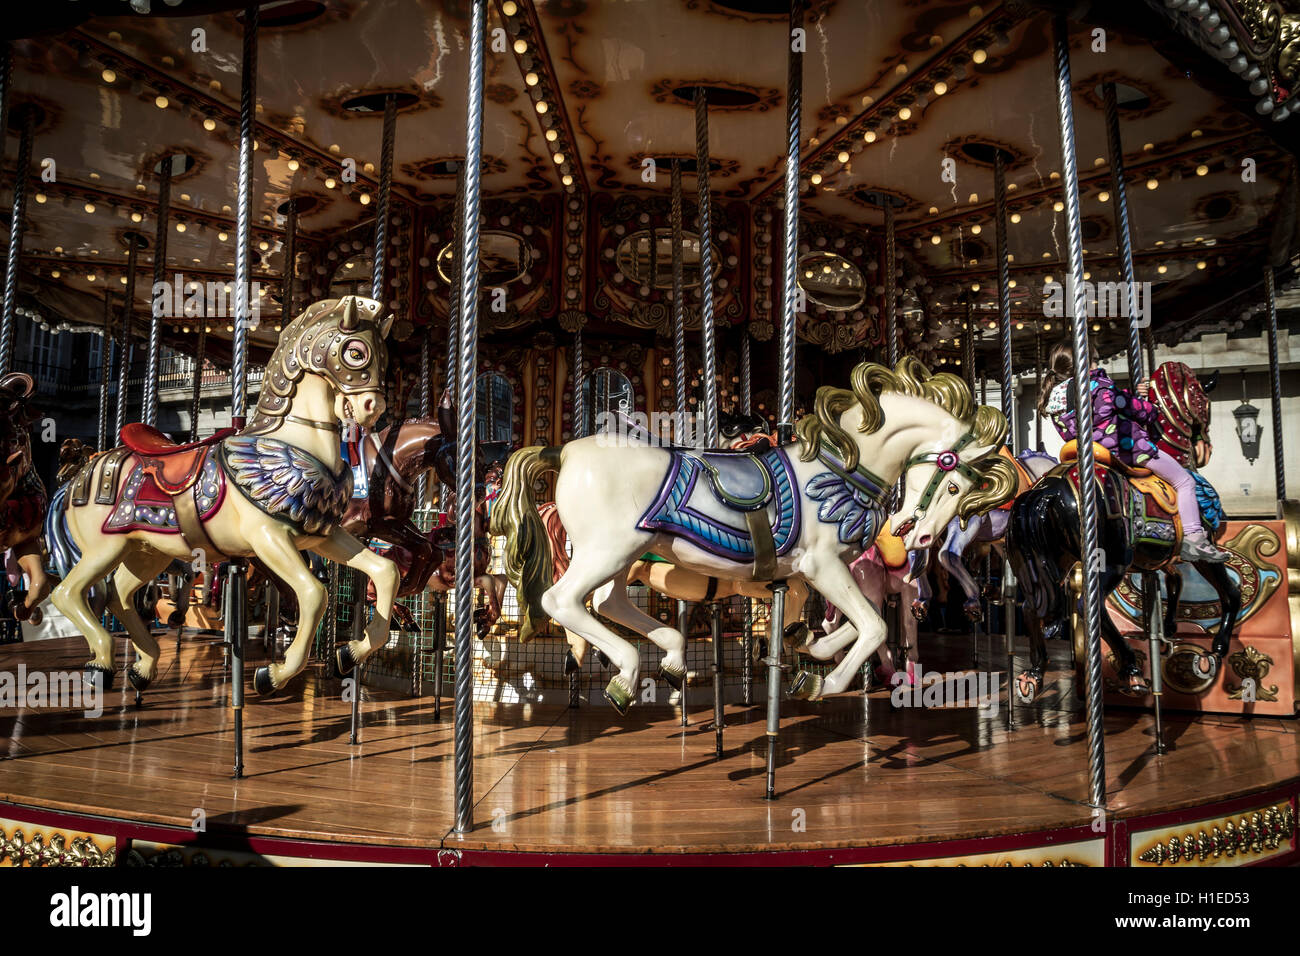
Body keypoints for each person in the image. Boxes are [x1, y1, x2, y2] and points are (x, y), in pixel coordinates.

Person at [1038, 344, 1228, 563]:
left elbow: (1105, 405)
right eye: (1095, 360)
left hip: (1089, 452)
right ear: (1086, 363)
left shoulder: (1054, 397)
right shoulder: (1099, 385)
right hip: (1128, 450)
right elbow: (1135, 409)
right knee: (1185, 481)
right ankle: (1194, 538)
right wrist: (1150, 407)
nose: (1097, 364)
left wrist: (1130, 393)